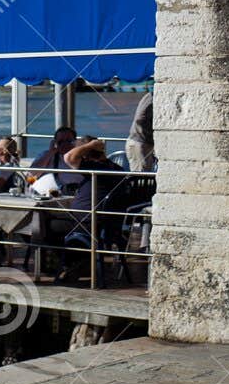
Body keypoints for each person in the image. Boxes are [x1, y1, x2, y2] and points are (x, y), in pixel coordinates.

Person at [53, 136, 126, 284]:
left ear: (85, 153)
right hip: (106, 223)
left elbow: (69, 157)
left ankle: (70, 266)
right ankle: (80, 263)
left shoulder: (94, 168)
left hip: (87, 223)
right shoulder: (116, 169)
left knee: (47, 226)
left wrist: (91, 144)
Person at [126, 91, 155, 171]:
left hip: (139, 142)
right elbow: (140, 118)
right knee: (140, 176)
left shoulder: (149, 97)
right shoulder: (151, 99)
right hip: (140, 143)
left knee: (143, 174)